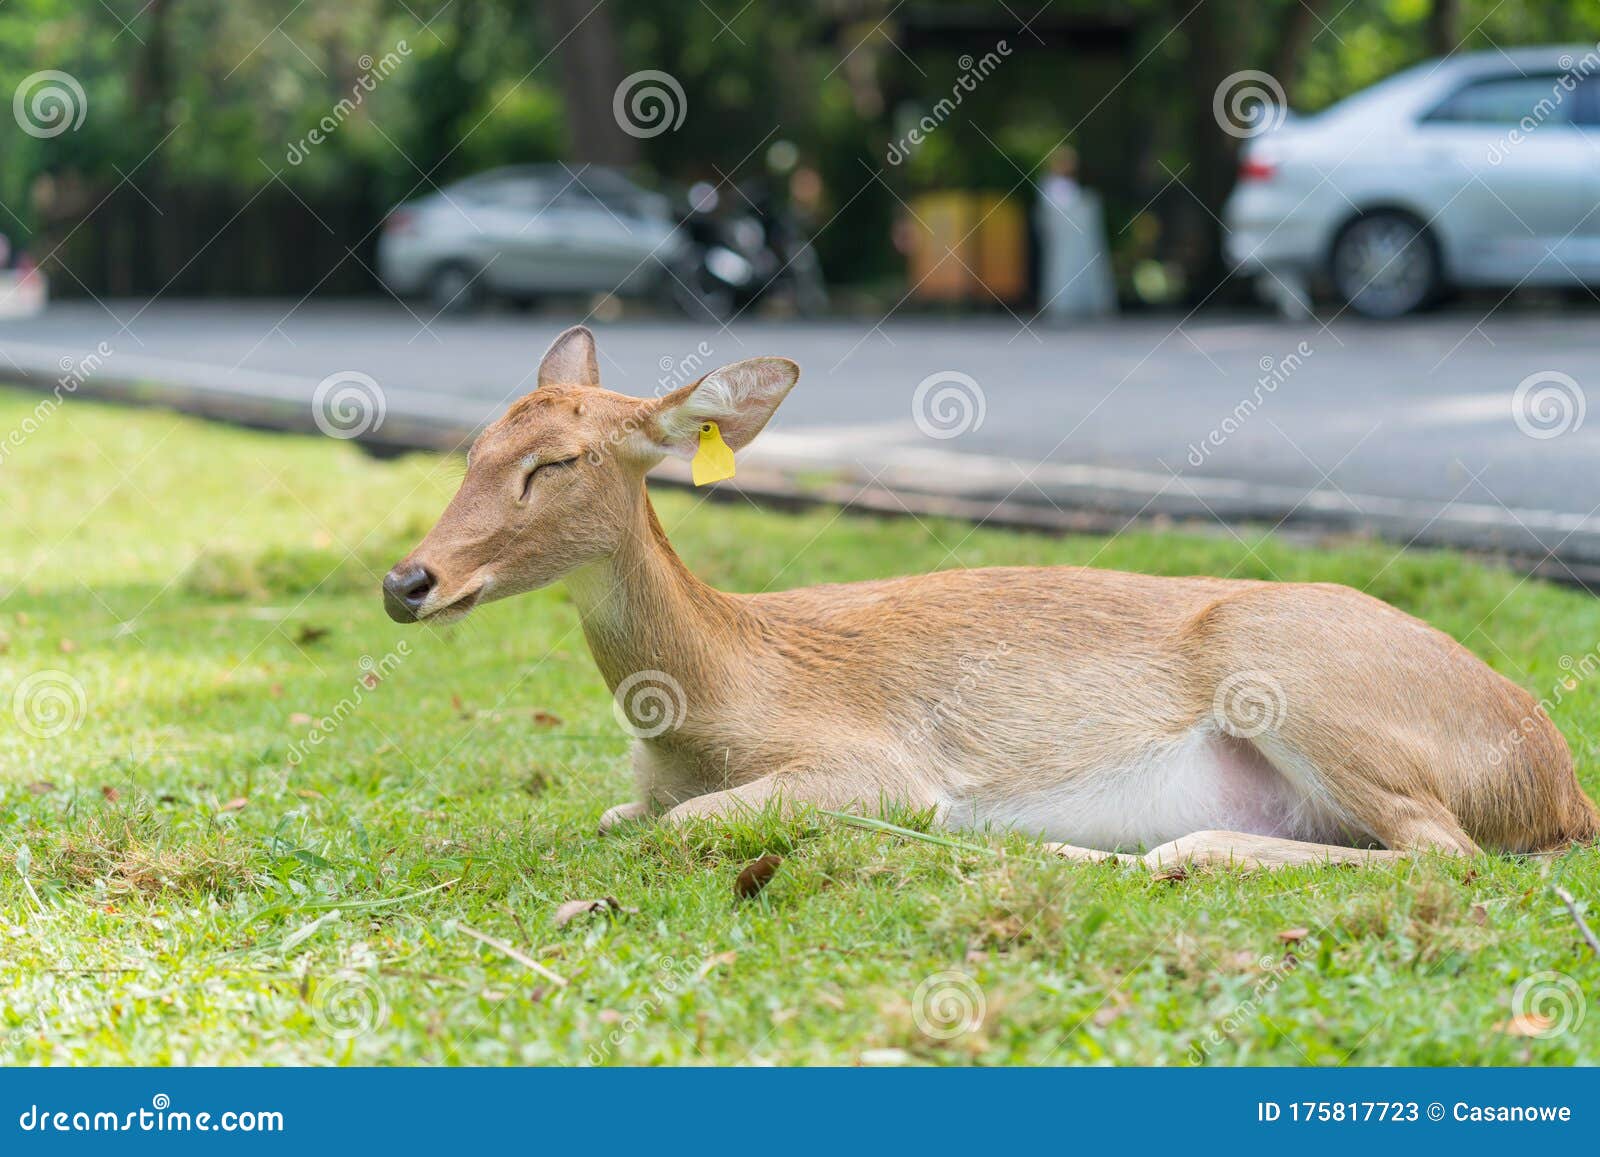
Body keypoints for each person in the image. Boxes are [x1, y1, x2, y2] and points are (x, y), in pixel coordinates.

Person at [1034, 146, 1116, 320]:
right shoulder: (1052, 184)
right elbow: (1058, 211)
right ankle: (1063, 305)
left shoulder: (1069, 185)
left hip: (1077, 240)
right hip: (1064, 241)